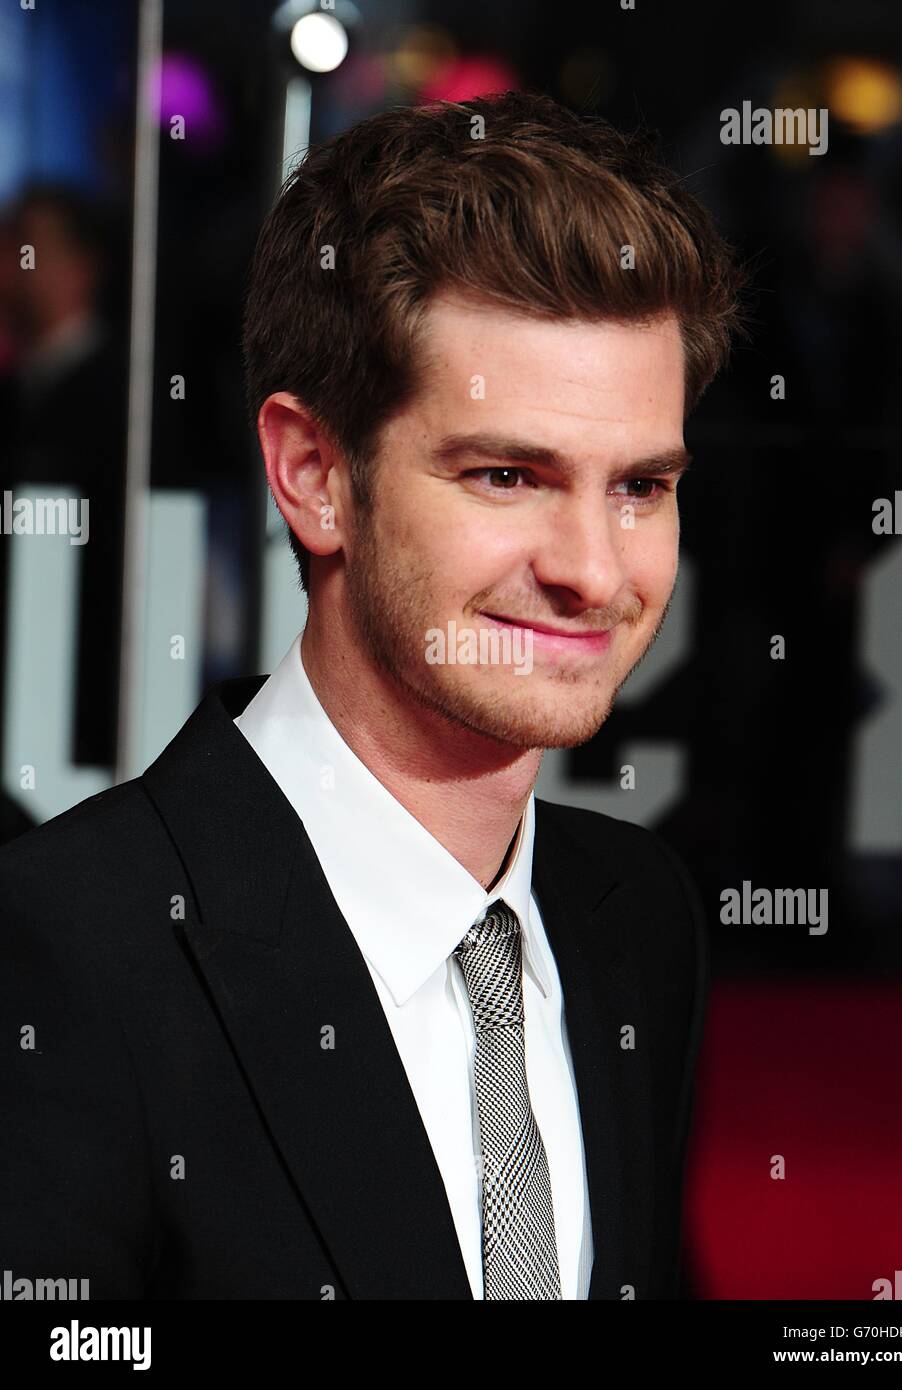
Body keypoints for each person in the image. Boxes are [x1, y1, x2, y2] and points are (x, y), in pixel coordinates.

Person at [0, 91, 745, 1300]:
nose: (593, 571)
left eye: (640, 487)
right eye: (507, 474)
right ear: (313, 476)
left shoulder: (633, 918)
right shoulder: (70, 947)